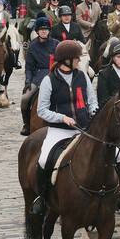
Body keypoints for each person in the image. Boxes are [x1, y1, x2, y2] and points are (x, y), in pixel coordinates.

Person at [30, 40, 96, 218]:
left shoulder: (82, 76)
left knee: (115, 154)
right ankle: (42, 199)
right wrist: (62, 118)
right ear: (65, 60)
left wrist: (94, 113)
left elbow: (92, 99)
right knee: (44, 160)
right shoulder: (48, 81)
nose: (78, 61)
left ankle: (114, 193)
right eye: (76, 58)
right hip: (59, 130)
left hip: (82, 128)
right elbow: (42, 110)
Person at [96, 39, 120, 106]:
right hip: (111, 110)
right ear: (112, 57)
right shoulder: (104, 75)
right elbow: (103, 99)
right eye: (118, 57)